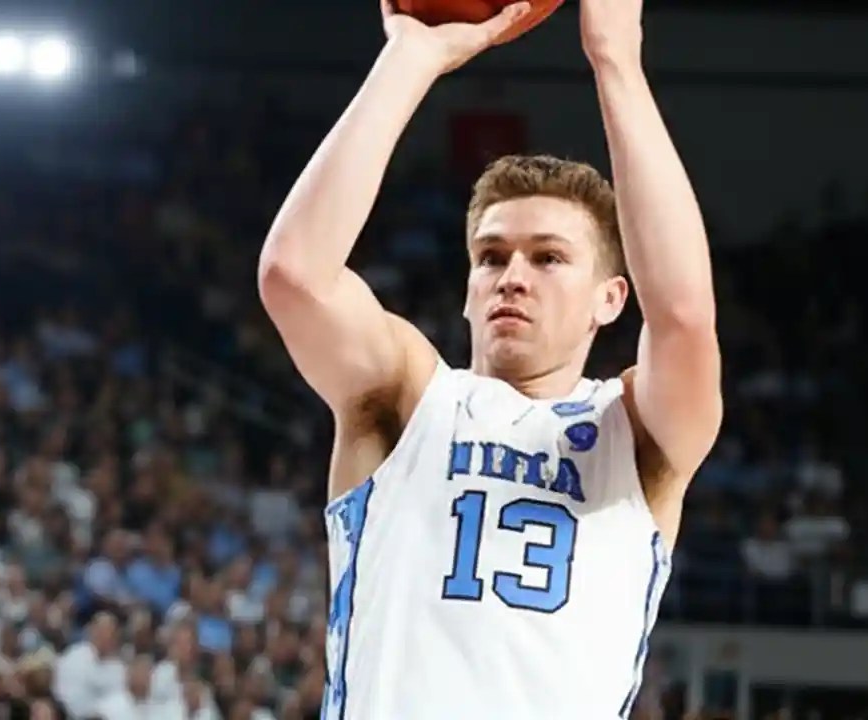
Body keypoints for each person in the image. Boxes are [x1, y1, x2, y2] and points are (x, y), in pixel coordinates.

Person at [257, 0, 722, 717]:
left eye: (548, 258)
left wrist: (617, 62)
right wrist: (412, 54)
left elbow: (685, 315)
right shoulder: (409, 397)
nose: (512, 275)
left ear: (610, 298)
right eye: (491, 256)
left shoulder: (638, 432)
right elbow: (294, 275)